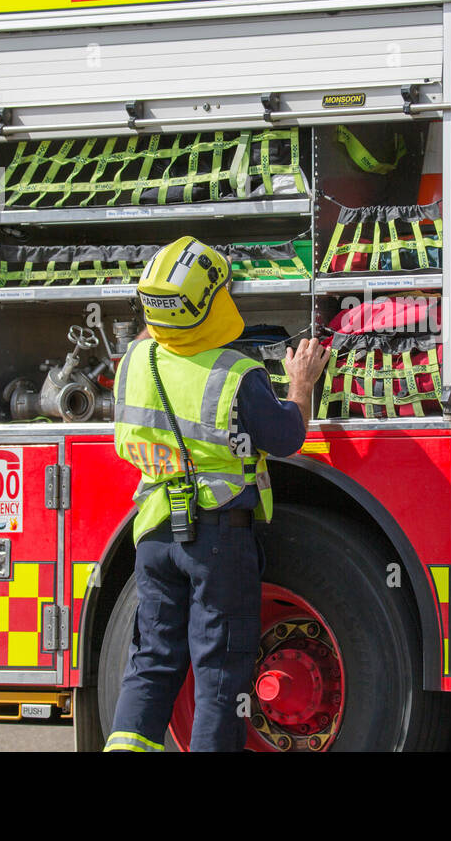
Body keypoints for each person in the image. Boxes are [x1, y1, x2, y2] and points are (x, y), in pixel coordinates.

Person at [105, 235, 329, 752]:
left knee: (153, 660)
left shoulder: (134, 362)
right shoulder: (236, 375)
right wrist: (301, 382)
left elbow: (155, 338)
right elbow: (287, 437)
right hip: (216, 540)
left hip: (155, 534)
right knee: (220, 676)